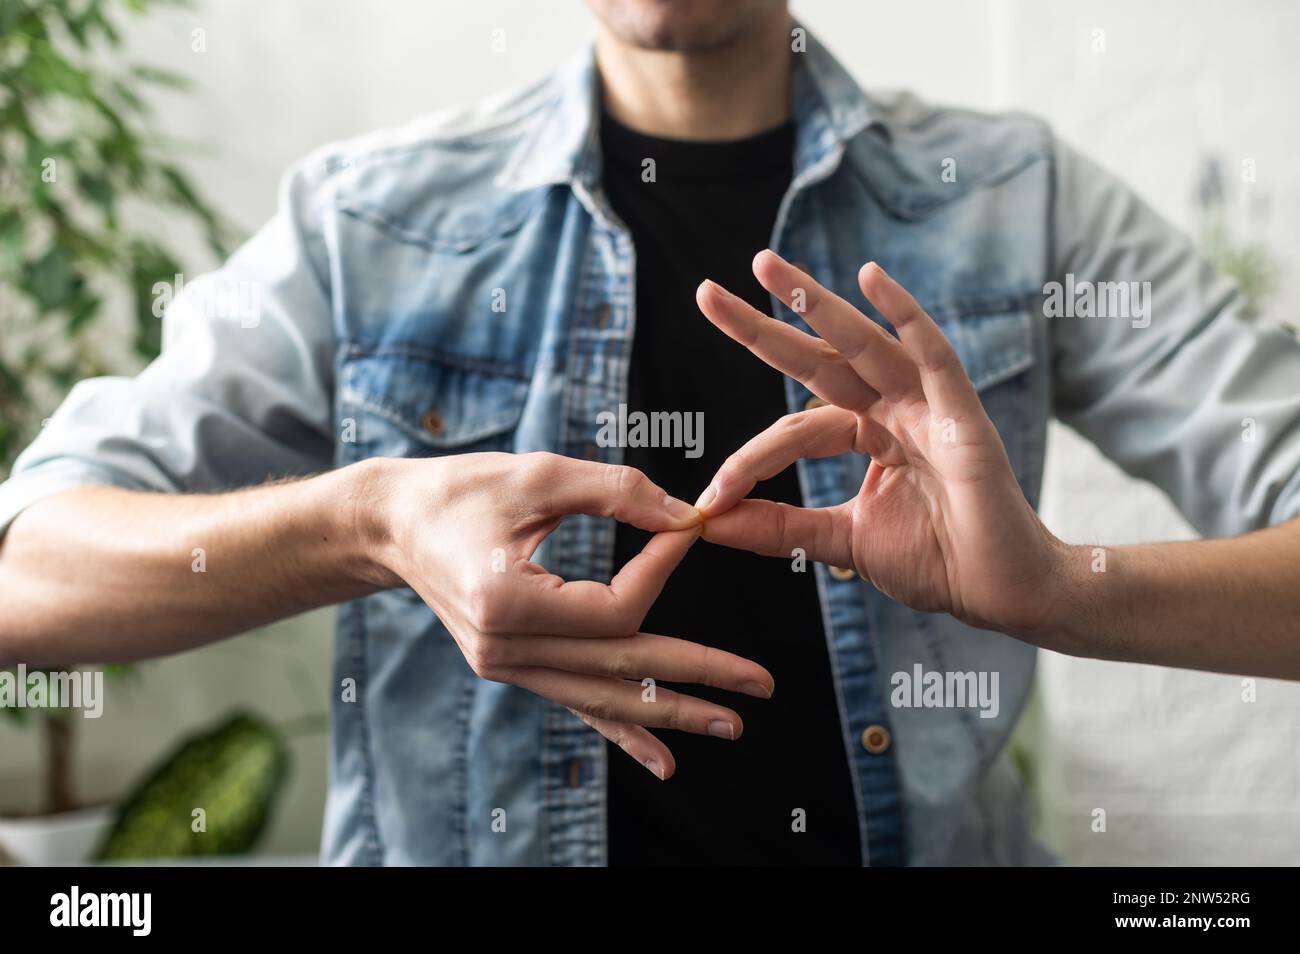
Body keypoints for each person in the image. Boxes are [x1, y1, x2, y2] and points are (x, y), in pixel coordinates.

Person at [2, 0, 1298, 866]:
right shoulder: (367, 221)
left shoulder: (1021, 201)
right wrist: (366, 524)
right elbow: (27, 573)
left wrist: (1063, 590)